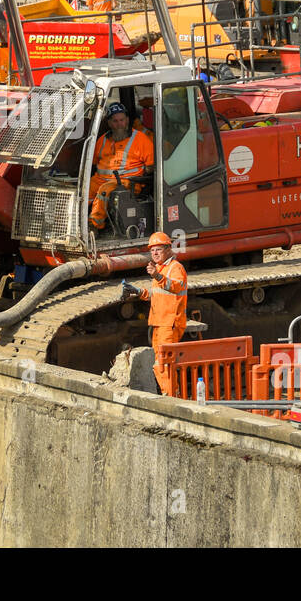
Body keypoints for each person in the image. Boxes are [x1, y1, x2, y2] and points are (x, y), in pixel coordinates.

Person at [88, 102, 154, 231]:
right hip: (101, 179)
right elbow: (95, 163)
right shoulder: (102, 140)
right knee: (83, 190)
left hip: (127, 182)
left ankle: (95, 226)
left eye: (122, 120)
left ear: (127, 120)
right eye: (115, 121)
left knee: (104, 190)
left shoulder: (141, 139)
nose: (119, 124)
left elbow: (151, 167)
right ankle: (78, 221)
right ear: (109, 123)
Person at [139, 231, 187, 395]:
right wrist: (139, 292)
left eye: (158, 249)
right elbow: (156, 295)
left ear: (168, 249)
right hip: (159, 323)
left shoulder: (175, 268)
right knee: (160, 364)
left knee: (163, 364)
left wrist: (157, 275)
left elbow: (175, 286)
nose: (155, 253)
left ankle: (172, 397)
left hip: (170, 323)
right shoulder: (160, 269)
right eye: (152, 251)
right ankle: (170, 395)